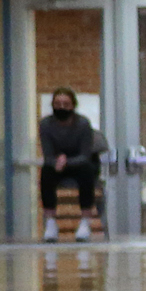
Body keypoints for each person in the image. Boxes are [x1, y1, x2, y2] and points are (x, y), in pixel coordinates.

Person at [39, 87, 100, 242]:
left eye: (66, 104)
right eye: (58, 103)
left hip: (80, 163)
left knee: (87, 171)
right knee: (46, 172)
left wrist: (66, 161)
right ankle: (51, 222)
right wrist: (57, 162)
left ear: (73, 105)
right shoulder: (45, 124)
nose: (62, 107)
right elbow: (48, 155)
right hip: (57, 165)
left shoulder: (83, 124)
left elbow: (85, 155)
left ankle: (85, 222)